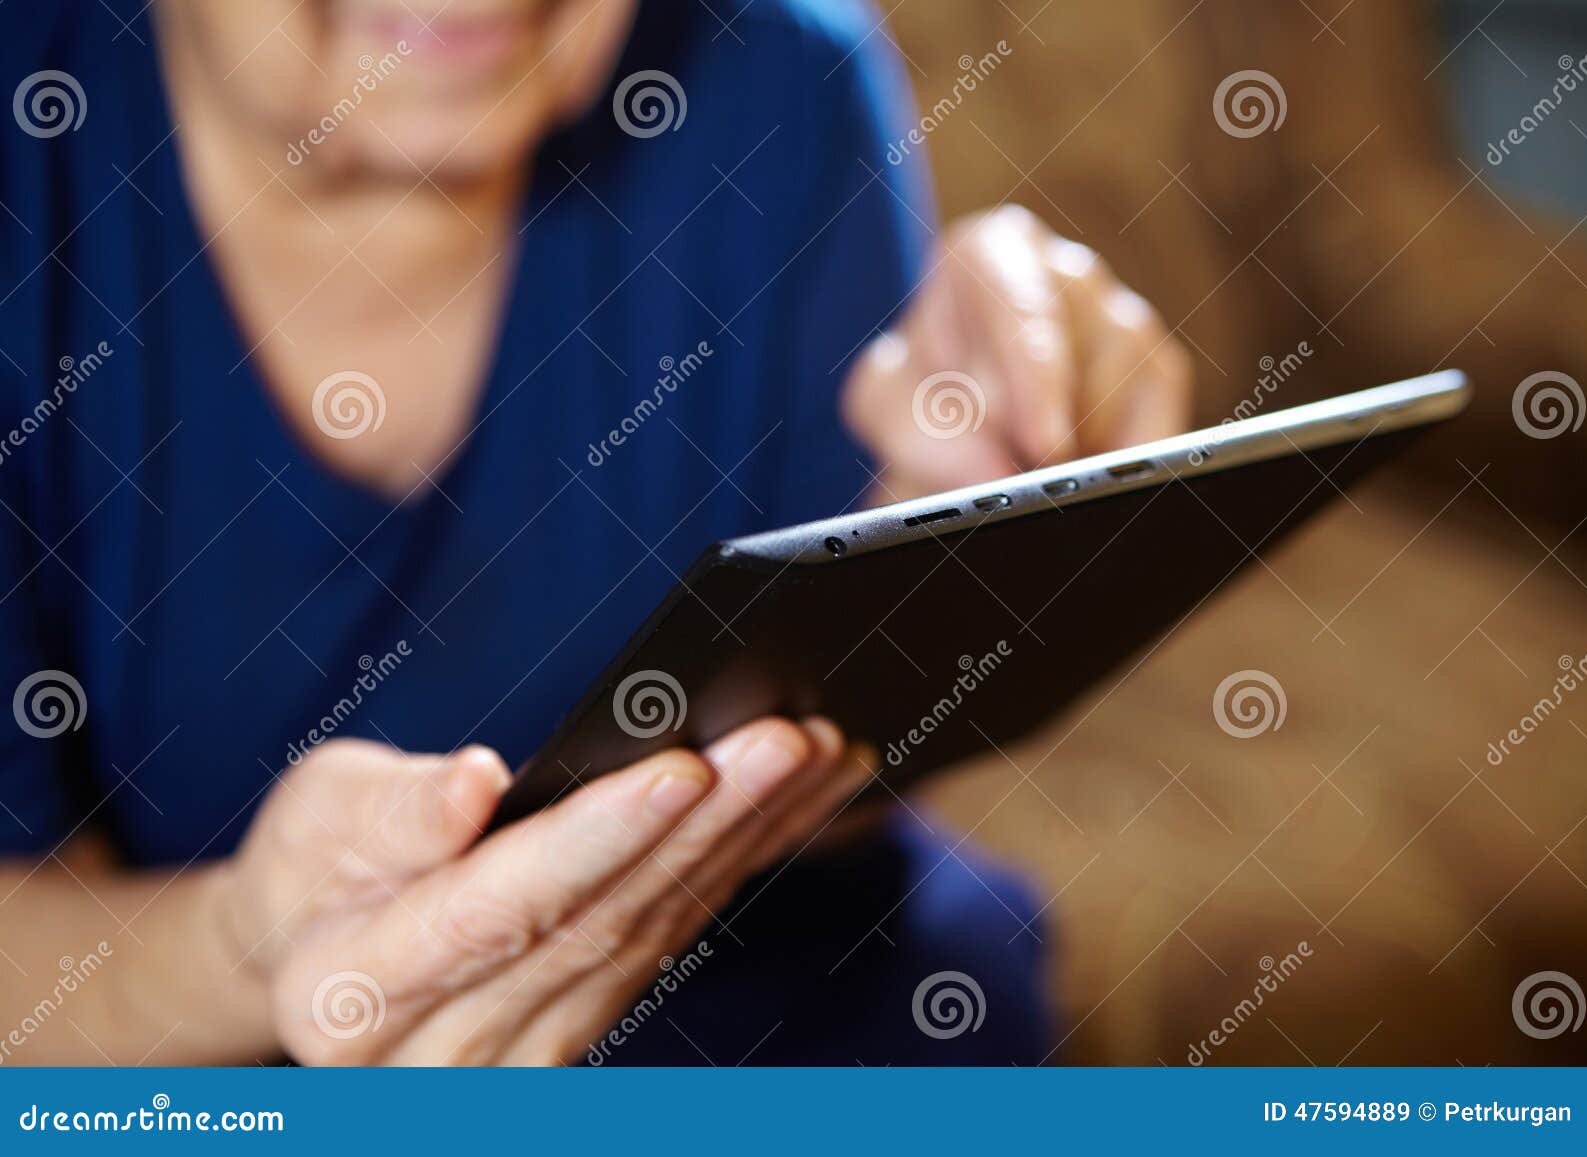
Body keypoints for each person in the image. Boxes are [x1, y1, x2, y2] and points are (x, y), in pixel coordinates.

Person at [0, 0, 1190, 1065]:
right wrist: (256, 947)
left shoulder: (782, 73)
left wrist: (968, 514)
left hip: (757, 983)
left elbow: (831, 754)